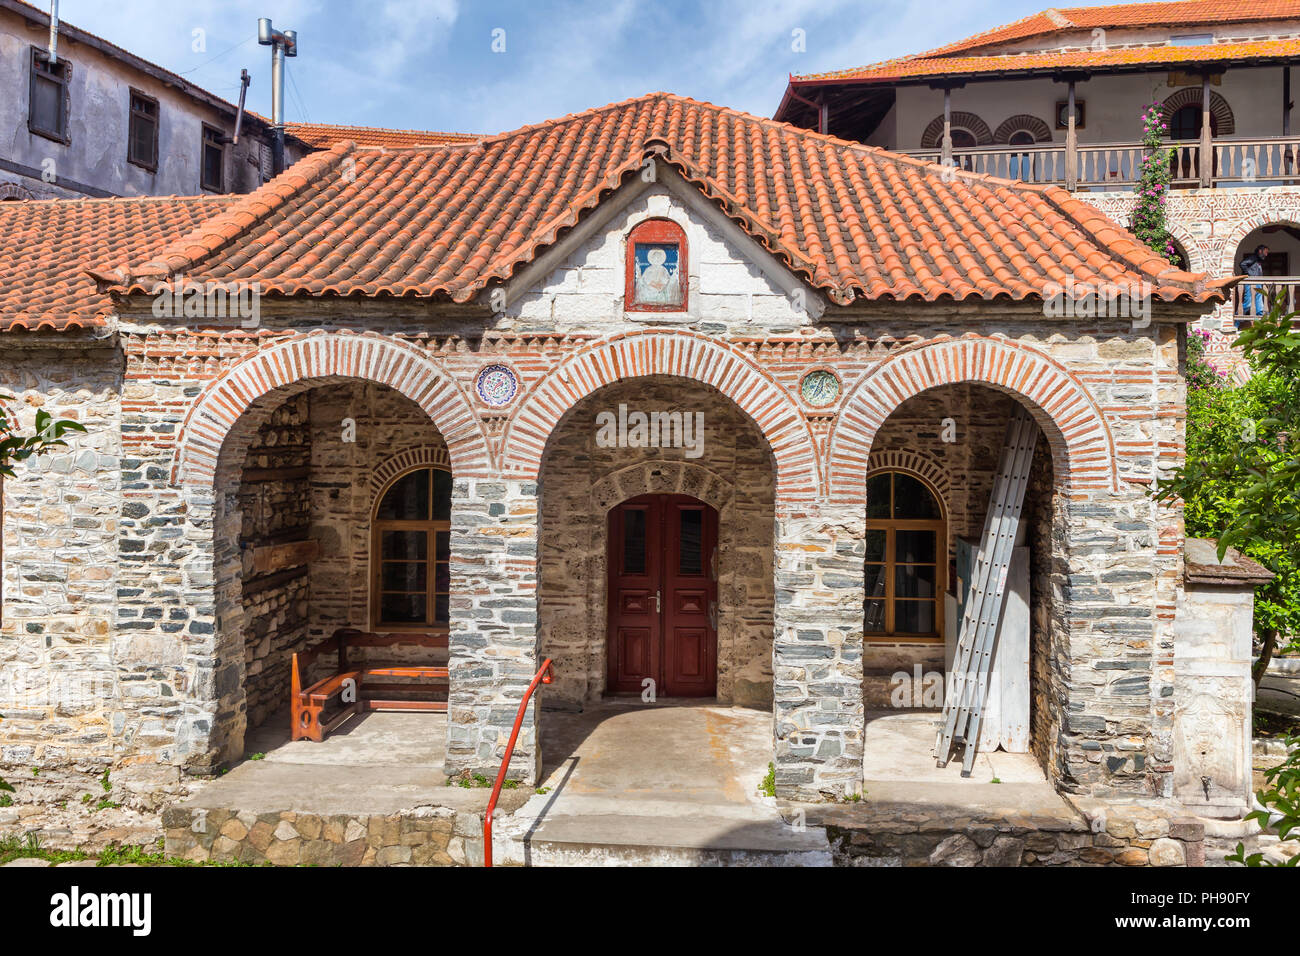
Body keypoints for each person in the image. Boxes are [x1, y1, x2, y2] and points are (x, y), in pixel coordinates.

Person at [1239, 244, 1270, 321]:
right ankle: (1237, 322)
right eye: (1265, 252)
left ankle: (1261, 322)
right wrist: (1249, 275)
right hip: (1250, 284)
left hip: (1258, 284)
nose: (1266, 254)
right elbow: (1242, 264)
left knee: (1259, 305)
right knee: (1248, 304)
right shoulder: (1253, 258)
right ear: (1260, 251)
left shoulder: (1258, 260)